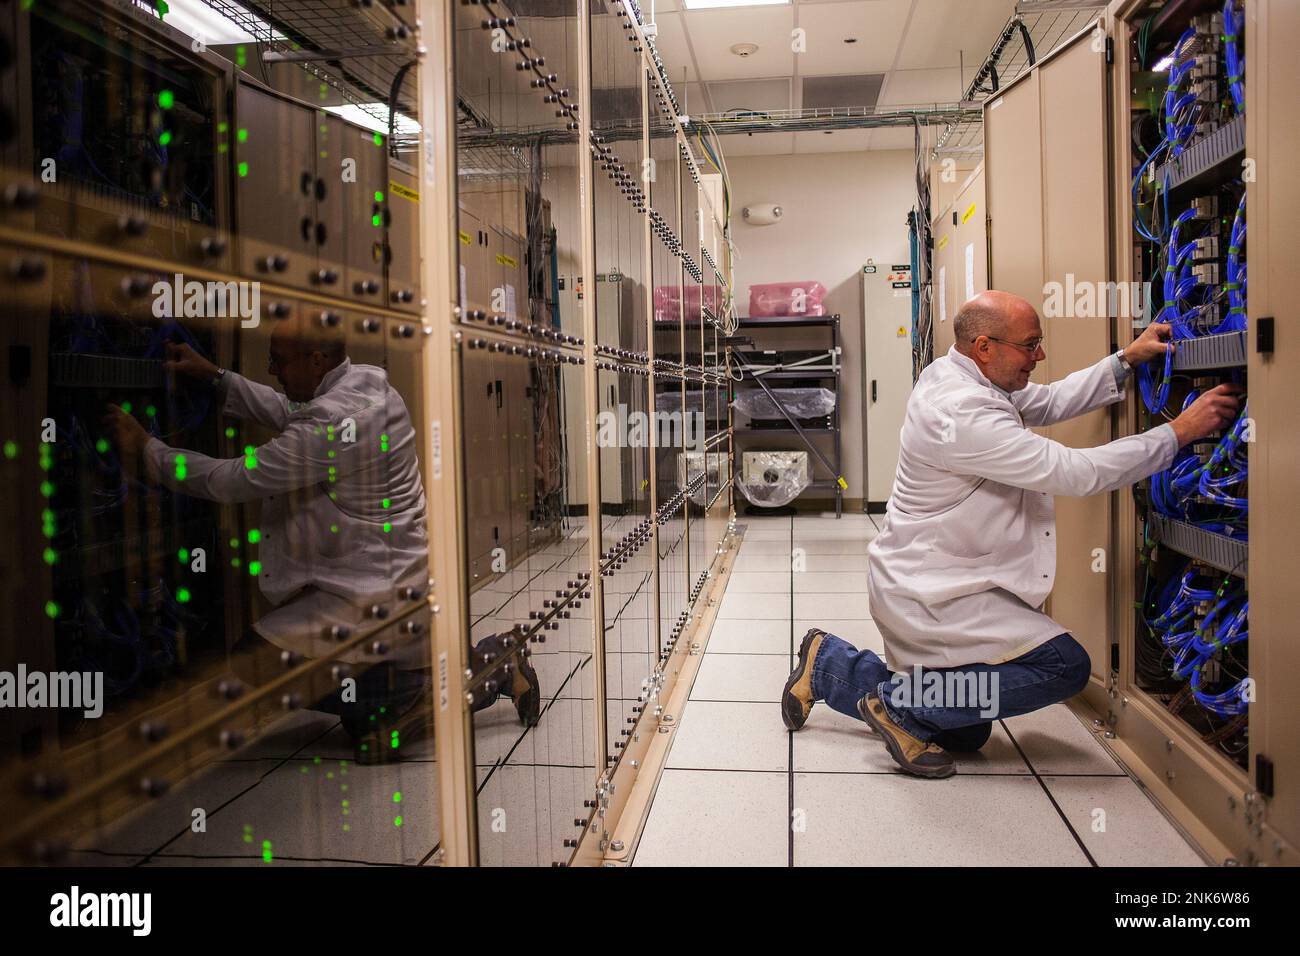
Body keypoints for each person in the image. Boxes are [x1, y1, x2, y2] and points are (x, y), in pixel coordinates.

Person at [781, 290, 1243, 778]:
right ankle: (898, 705)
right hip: (933, 592)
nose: (1039, 356)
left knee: (966, 731)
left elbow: (1044, 400)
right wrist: (1180, 431)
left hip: (937, 578)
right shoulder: (960, 414)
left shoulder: (961, 373)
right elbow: (1077, 471)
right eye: (1031, 345)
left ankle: (829, 663)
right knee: (1063, 665)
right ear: (984, 346)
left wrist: (1124, 362)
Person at [103, 313, 539, 760]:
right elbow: (288, 409)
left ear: (315, 361)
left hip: (373, 595)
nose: (273, 371)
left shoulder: (333, 426)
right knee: (359, 707)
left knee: (258, 662)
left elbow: (230, 479)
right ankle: (430, 679)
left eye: (278, 362)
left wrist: (148, 451)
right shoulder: (367, 387)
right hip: (380, 583)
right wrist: (216, 378)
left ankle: (478, 671)